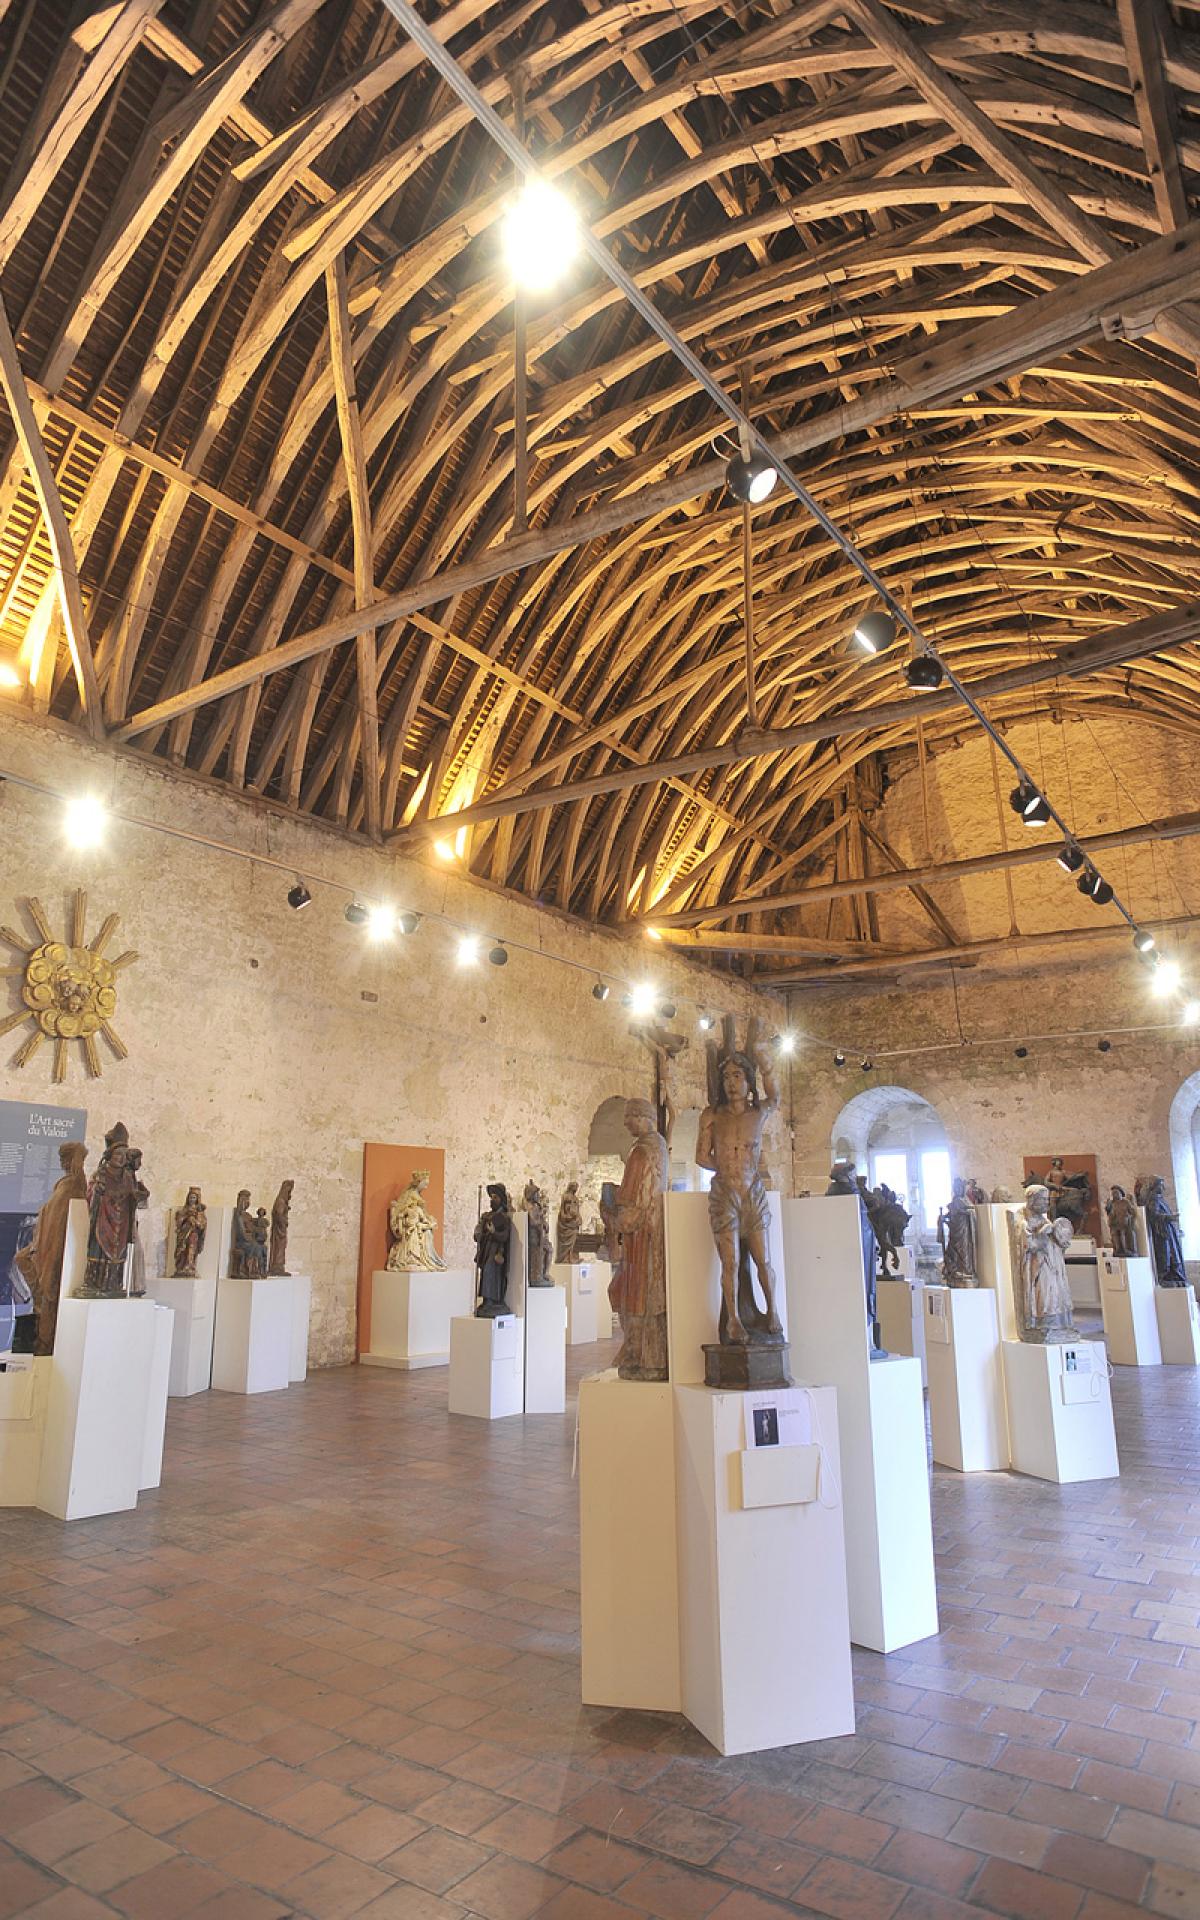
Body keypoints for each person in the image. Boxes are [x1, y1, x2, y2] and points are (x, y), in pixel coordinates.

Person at [697, 1044, 783, 1345]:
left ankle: (773, 1312)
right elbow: (701, 1156)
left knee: (763, 1259)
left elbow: (776, 1097)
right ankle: (733, 1320)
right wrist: (726, 1168)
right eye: (727, 1077)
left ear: (748, 1082)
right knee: (730, 1263)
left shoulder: (758, 1113)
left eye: (737, 1076)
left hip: (752, 1193)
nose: (731, 1082)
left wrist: (766, 1063)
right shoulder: (711, 1115)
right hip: (725, 1193)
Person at [607, 1097, 669, 1380]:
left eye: (630, 1117)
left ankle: (643, 1358)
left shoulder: (642, 1152)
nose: (626, 1122)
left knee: (635, 1295)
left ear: (645, 1117)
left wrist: (613, 1214)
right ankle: (648, 1357)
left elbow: (633, 1202)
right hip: (652, 1232)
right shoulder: (658, 1147)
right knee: (645, 1297)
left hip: (642, 1237)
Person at [1015, 1185, 1076, 1341]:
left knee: (1057, 1294)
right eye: (1043, 1199)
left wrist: (1061, 1241)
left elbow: (1053, 1240)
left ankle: (1059, 1325)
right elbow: (1029, 1245)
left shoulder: (1044, 1218)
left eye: (1047, 1199)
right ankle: (1044, 1324)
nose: (1046, 1203)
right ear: (1032, 1200)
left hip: (1054, 1264)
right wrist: (1044, 1232)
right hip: (1040, 1267)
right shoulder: (1023, 1221)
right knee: (1045, 1295)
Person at [386, 1171, 446, 1271]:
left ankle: (424, 1258)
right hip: (410, 1227)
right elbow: (401, 1209)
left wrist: (428, 1222)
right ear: (419, 1182)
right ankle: (412, 1258)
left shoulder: (417, 1198)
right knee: (420, 1233)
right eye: (425, 1184)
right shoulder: (411, 1195)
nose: (426, 1187)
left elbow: (422, 1214)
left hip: (416, 1224)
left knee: (427, 1231)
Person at [474, 1184, 512, 1316]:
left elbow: (505, 1236)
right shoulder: (487, 1216)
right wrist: (479, 1233)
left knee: (491, 1272)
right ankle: (486, 1300)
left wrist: (494, 1232)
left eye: (495, 1197)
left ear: (501, 1199)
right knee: (486, 1272)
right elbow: (479, 1231)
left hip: (497, 1251)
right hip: (487, 1248)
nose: (492, 1200)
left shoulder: (504, 1217)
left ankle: (492, 1300)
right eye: (491, 1197)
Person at [1145, 1177, 1188, 1287]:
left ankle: (1175, 1276)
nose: (1163, 1188)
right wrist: (1170, 1217)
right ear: (1155, 1186)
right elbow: (1154, 1215)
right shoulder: (1153, 1199)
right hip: (1162, 1232)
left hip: (1168, 1230)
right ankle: (1165, 1276)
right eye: (1160, 1185)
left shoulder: (1160, 1199)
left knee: (1174, 1253)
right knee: (1165, 1254)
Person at [173, 1188, 207, 1277]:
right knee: (182, 1250)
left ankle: (189, 1266)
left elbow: (202, 1224)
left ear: (197, 1199)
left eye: (194, 1198)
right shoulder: (184, 1210)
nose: (192, 1199)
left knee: (191, 1250)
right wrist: (186, 1217)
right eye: (190, 1197)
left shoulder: (199, 1212)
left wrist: (195, 1221)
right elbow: (178, 1222)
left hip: (193, 1234)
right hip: (184, 1233)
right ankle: (181, 1267)